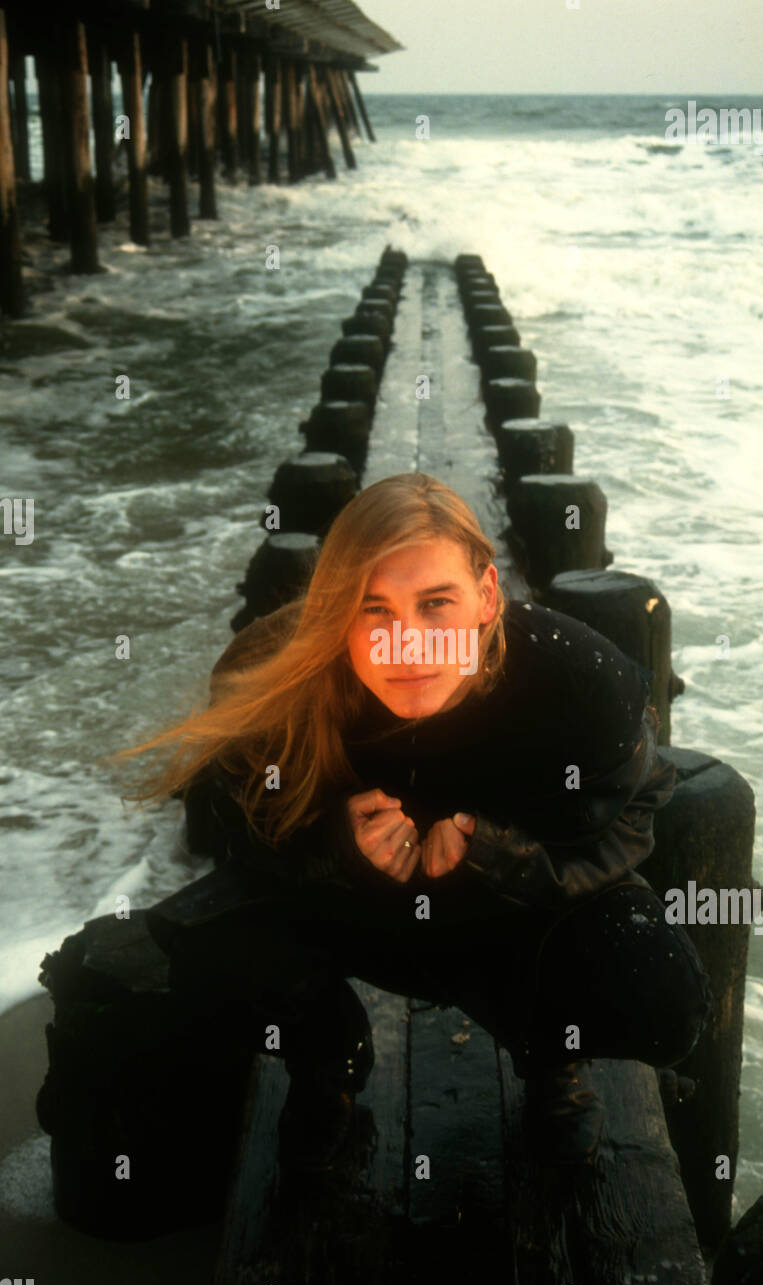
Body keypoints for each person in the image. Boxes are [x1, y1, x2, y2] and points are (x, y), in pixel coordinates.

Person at [112, 473, 713, 1172]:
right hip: (356, 909)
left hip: (513, 914)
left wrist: (504, 860)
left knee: (662, 998)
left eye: (435, 604)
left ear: (486, 597)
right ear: (336, 611)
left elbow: (632, 817)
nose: (409, 645)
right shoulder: (267, 677)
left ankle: (553, 1058)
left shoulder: (579, 681)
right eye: (374, 610)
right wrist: (337, 854)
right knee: (202, 946)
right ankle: (327, 1057)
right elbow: (237, 832)